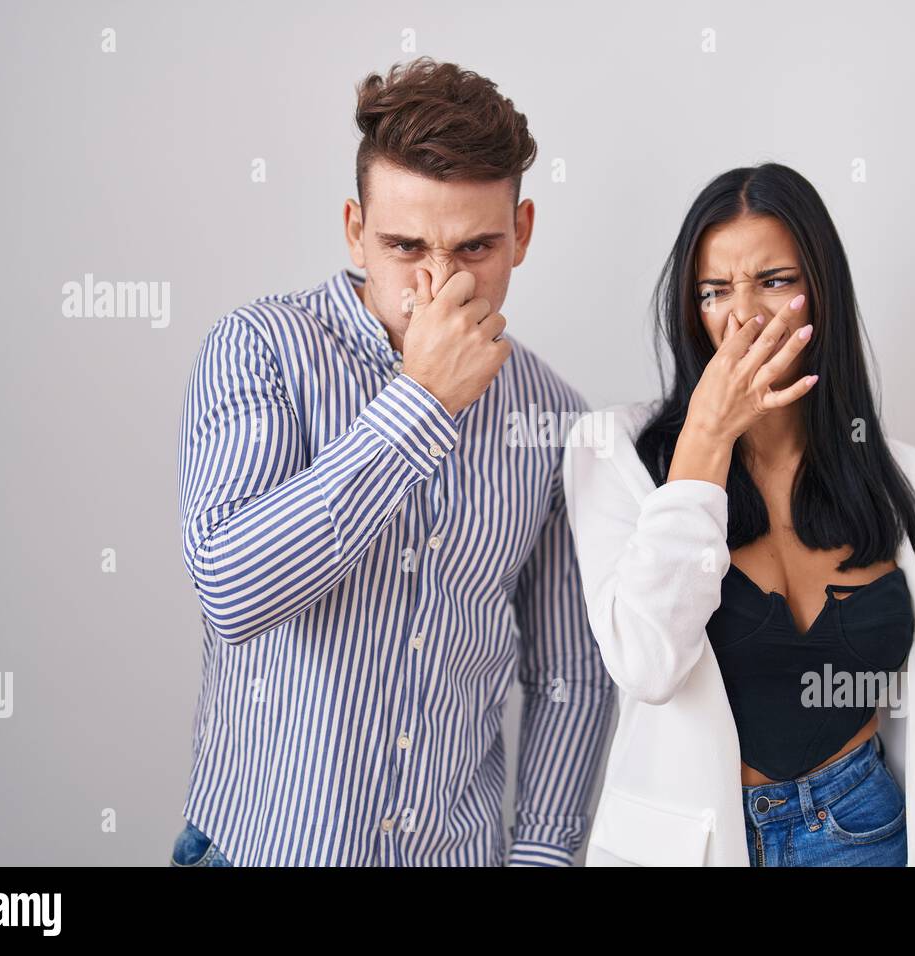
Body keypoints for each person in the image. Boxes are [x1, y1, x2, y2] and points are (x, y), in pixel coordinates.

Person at [169, 57, 615, 867]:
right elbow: (231, 590)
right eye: (405, 245)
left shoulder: (555, 419)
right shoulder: (259, 349)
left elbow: (570, 680)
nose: (438, 283)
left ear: (522, 232)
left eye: (476, 246)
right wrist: (423, 403)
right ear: (354, 229)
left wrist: (543, 857)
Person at [562, 163, 915, 866]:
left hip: (866, 832)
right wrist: (707, 438)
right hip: (698, 848)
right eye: (715, 290)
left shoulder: (906, 479)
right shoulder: (616, 455)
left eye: (775, 281)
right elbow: (647, 665)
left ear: (820, 291)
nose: (744, 316)